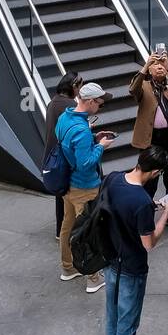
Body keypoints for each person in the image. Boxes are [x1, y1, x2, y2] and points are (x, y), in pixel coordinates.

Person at [104, 145, 168, 335]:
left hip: (111, 260)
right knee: (127, 324)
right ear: (155, 172)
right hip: (132, 268)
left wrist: (150, 208)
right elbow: (149, 243)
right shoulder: (141, 202)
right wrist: (165, 212)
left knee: (113, 318)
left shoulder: (113, 178)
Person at [56, 81, 115, 294]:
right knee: (90, 230)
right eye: (99, 102)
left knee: (67, 225)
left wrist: (92, 139)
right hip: (85, 186)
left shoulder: (65, 117)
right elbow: (86, 163)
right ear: (89, 101)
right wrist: (100, 146)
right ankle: (93, 277)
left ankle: (68, 267)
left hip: (67, 183)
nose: (100, 106)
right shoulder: (81, 129)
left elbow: (69, 146)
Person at [129, 51, 168, 207]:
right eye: (155, 65)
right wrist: (146, 64)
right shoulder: (143, 86)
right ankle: (146, 209)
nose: (159, 67)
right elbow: (132, 89)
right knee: (149, 178)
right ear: (149, 69)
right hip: (151, 138)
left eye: (161, 64)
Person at [44, 70, 82, 240]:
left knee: (60, 195)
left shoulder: (52, 103)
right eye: (79, 86)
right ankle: (67, 231)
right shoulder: (71, 106)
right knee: (69, 196)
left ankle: (60, 230)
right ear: (73, 86)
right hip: (65, 156)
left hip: (53, 155)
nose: (80, 90)